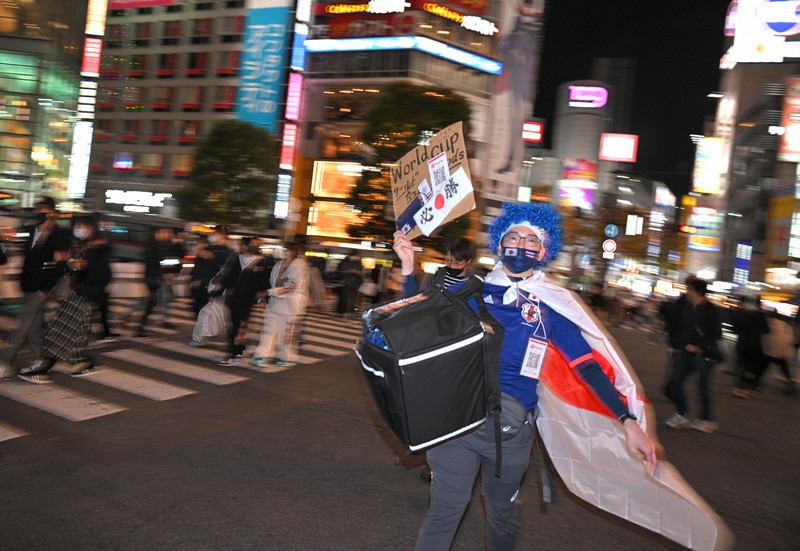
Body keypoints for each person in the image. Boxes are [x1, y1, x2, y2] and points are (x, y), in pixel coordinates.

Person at [393, 202, 656, 550]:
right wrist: (409, 269)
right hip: (456, 423)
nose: (520, 245)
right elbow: (415, 323)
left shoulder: (553, 305)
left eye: (531, 240)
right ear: (499, 244)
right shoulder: (473, 290)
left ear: (545, 250)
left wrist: (627, 420)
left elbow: (587, 367)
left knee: (502, 515)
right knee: (445, 510)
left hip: (511, 433)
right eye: (513, 236)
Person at [18, 214, 112, 383]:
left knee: (60, 330)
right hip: (73, 292)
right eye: (77, 225)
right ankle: (84, 363)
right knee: (76, 332)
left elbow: (104, 275)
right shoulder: (77, 245)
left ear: (92, 228)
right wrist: (65, 260)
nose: (79, 228)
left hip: (85, 295)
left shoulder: (99, 249)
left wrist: (85, 266)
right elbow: (69, 268)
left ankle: (43, 369)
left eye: (83, 225)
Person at [0, 197, 71, 379]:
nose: (39, 213)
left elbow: (60, 266)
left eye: (44, 210)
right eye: (38, 209)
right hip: (28, 283)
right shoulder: (29, 230)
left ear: (53, 213)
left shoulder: (60, 234)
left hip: (43, 287)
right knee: (34, 327)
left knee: (23, 324)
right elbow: (18, 251)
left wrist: (46, 289)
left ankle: (4, 362)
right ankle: (46, 357)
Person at [664, 278, 723, 433]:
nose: (687, 293)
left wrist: (699, 347)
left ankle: (706, 420)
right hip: (684, 352)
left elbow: (716, 334)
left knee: (701, 387)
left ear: (695, 291)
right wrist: (673, 346)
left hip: (703, 355)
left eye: (688, 289)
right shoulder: (687, 307)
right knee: (674, 382)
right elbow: (679, 328)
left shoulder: (711, 310)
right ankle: (682, 415)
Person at [250, 243, 309, 368]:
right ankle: (260, 356)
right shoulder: (278, 264)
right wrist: (267, 297)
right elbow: (272, 282)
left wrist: (268, 293)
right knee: (267, 332)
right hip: (274, 305)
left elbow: (290, 287)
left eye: (288, 250)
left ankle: (285, 357)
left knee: (285, 334)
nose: (285, 252)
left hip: (290, 308)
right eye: (285, 249)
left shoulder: (298, 267)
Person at [214, 237, 271, 367]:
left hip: (247, 299)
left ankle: (233, 354)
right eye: (251, 244)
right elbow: (229, 277)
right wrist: (216, 292)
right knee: (235, 326)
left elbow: (263, 281)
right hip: (233, 298)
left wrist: (264, 298)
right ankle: (240, 349)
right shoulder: (236, 259)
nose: (254, 246)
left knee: (239, 326)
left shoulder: (259, 262)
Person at [731, 295, 769, 399]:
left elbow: (735, 328)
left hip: (741, 343)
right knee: (751, 367)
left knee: (741, 366)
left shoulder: (741, 312)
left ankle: (738, 388)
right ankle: (745, 389)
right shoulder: (759, 314)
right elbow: (766, 329)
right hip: (754, 344)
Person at [189, 226, 232, 315]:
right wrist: (194, 279)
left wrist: (221, 284)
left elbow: (227, 270)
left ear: (221, 235)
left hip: (215, 287)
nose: (212, 236)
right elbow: (197, 265)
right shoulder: (206, 248)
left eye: (214, 233)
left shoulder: (227, 252)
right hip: (203, 285)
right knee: (198, 309)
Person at [762, 310, 798, 395]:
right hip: (780, 353)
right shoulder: (785, 325)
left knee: (763, 367)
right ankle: (791, 385)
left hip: (770, 352)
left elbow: (765, 337)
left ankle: (754, 382)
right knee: (785, 370)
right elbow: (789, 340)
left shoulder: (769, 323)